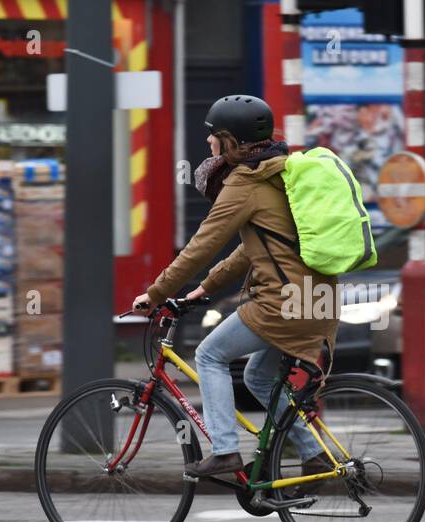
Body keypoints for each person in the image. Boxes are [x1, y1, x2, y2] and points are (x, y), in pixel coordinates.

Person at [132, 95, 338, 479]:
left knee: (209, 355)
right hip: (317, 300)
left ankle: (225, 450)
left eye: (213, 136)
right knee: (257, 376)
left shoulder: (245, 182)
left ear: (229, 141)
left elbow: (201, 245)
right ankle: (314, 456)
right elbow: (250, 249)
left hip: (281, 302)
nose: (208, 143)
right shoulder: (278, 174)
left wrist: (155, 293)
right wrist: (204, 287)